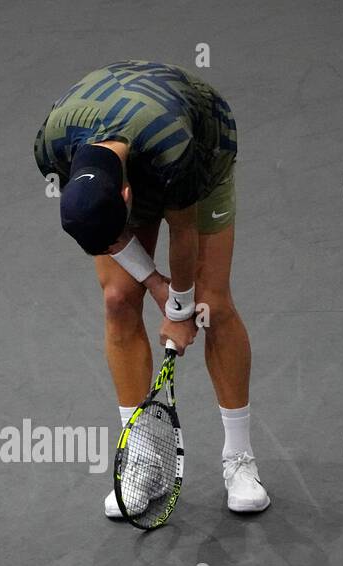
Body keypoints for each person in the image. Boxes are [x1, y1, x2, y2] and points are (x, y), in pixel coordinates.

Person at [34, 59, 271, 518]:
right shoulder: (51, 146)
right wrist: (156, 285)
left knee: (211, 305)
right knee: (118, 298)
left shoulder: (174, 146)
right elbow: (105, 235)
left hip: (200, 147)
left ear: (128, 198)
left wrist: (179, 309)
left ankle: (239, 460)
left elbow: (183, 232)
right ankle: (143, 458)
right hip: (131, 145)